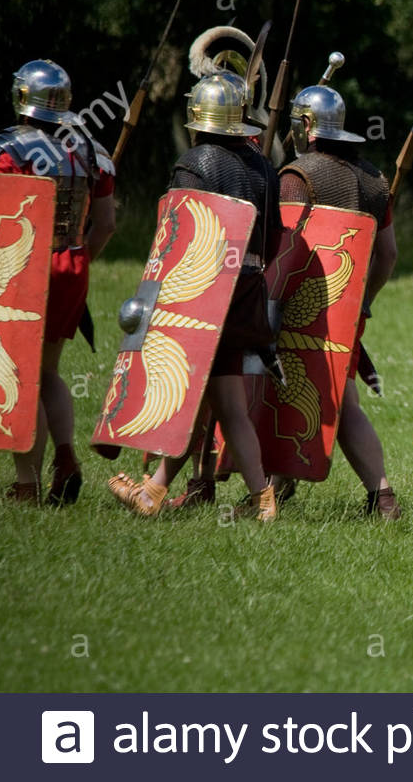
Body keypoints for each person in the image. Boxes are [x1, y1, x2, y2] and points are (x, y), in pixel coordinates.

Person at [107, 71, 283, 521]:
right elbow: (274, 237)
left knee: (194, 395)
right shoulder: (263, 164)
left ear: (197, 115)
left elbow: (178, 240)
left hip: (204, 295)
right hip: (247, 290)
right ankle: (251, 500)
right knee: (224, 402)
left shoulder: (197, 162)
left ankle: (159, 491)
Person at [274, 83, 401, 519]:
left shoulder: (296, 176)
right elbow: (388, 255)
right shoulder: (373, 178)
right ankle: (278, 483)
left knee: (333, 398)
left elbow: (285, 250)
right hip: (350, 310)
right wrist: (363, 301)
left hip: (301, 310)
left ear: (306, 125)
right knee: (317, 391)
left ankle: (383, 496)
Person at [0, 60, 115, 504]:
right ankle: (65, 456)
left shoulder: (6, 151)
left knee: (21, 375)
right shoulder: (89, 150)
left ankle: (26, 484)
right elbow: (104, 225)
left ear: (21, 97)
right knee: (47, 370)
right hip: (72, 264)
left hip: (21, 271)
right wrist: (79, 263)